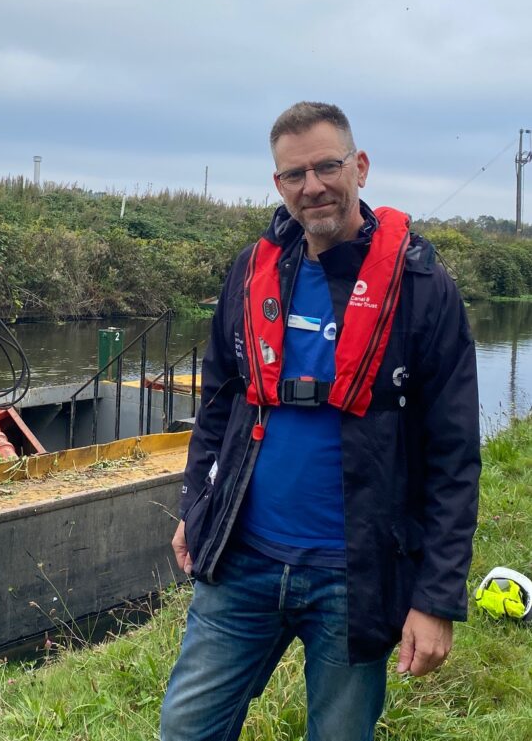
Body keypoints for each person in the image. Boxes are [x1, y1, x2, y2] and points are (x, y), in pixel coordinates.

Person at [159, 102, 480, 741]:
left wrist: (436, 598)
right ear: (277, 184)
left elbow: (453, 453)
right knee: (186, 729)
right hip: (243, 561)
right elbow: (220, 402)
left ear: (359, 166)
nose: (313, 187)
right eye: (294, 174)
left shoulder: (421, 286)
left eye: (327, 167)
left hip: (355, 575)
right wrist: (195, 508)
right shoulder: (253, 272)